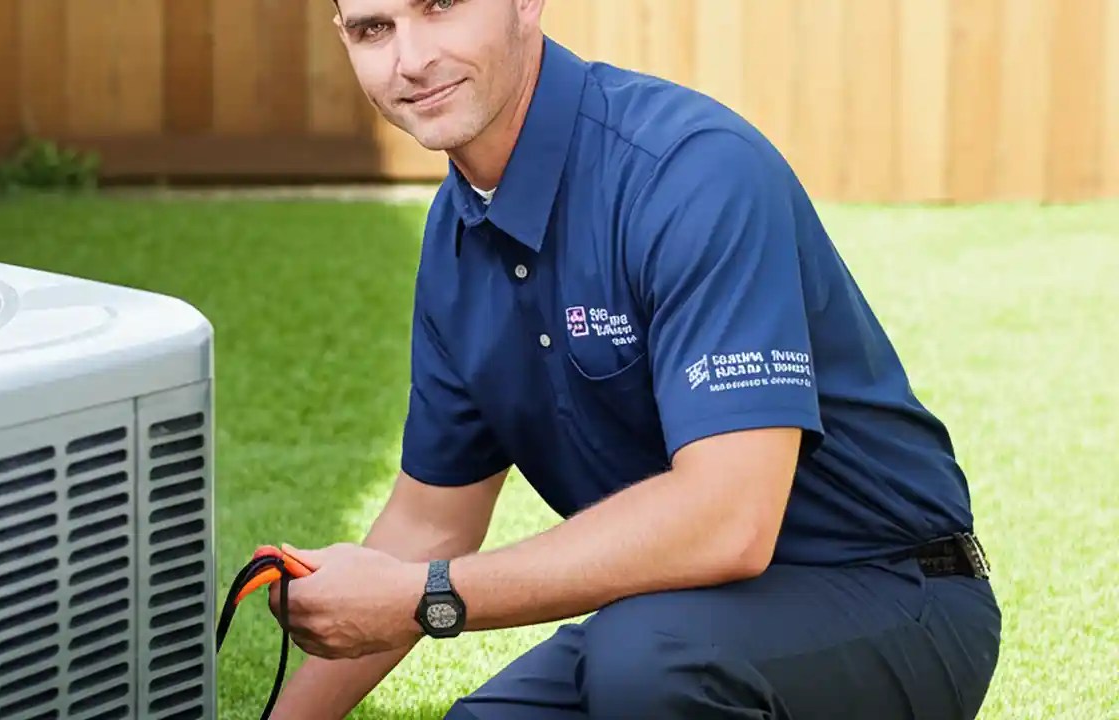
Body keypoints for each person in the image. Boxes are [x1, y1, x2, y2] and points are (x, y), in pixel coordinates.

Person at [262, 1, 1002, 718]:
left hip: (896, 595)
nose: (411, 58)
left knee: (648, 664)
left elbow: (727, 519)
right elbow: (430, 523)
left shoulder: (692, 172)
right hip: (676, 620)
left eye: (442, 4)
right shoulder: (455, 241)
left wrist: (430, 597)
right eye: (373, 29)